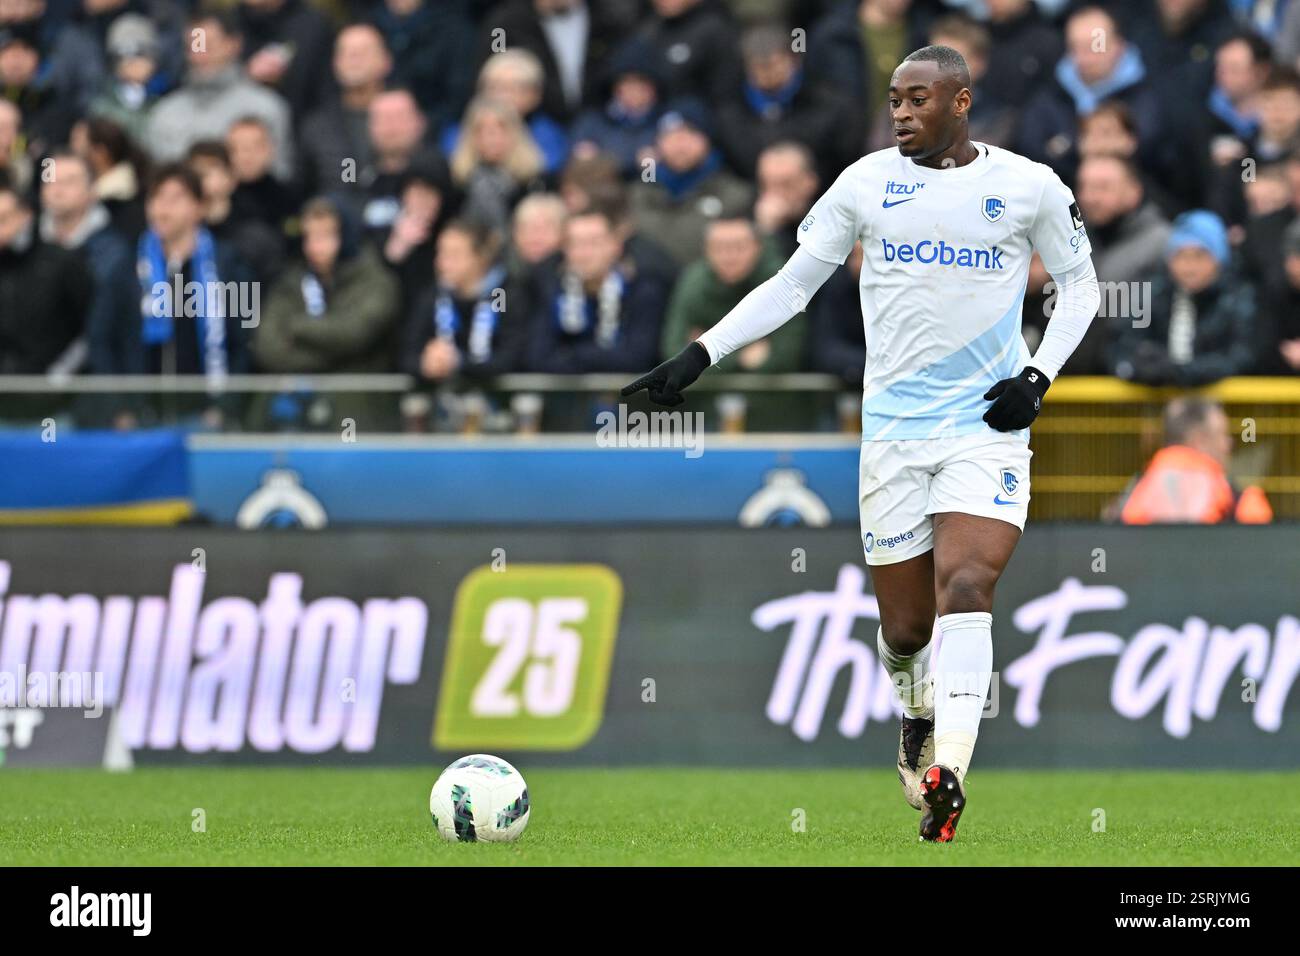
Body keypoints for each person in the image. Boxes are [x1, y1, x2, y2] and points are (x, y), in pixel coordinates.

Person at [621, 45, 1101, 842]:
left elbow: (1083, 285)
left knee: (969, 587)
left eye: (919, 100)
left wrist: (1040, 376)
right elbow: (791, 286)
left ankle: (950, 770)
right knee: (908, 630)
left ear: (961, 102)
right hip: (892, 437)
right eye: (894, 100)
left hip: (986, 426)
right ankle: (915, 715)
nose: (902, 113)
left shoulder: (1029, 186)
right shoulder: (865, 184)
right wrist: (701, 353)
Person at [1110, 210, 1255, 386]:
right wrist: (1140, 367)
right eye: (1180, 255)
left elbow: (1242, 357)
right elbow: (1119, 346)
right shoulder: (1153, 294)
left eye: (1200, 256)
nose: (1189, 267)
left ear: (1219, 259)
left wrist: (1180, 372)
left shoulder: (1239, 298)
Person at [1116, 397, 1272, 524]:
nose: (1228, 444)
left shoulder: (1133, 493)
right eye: (1222, 435)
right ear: (1199, 440)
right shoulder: (1242, 502)